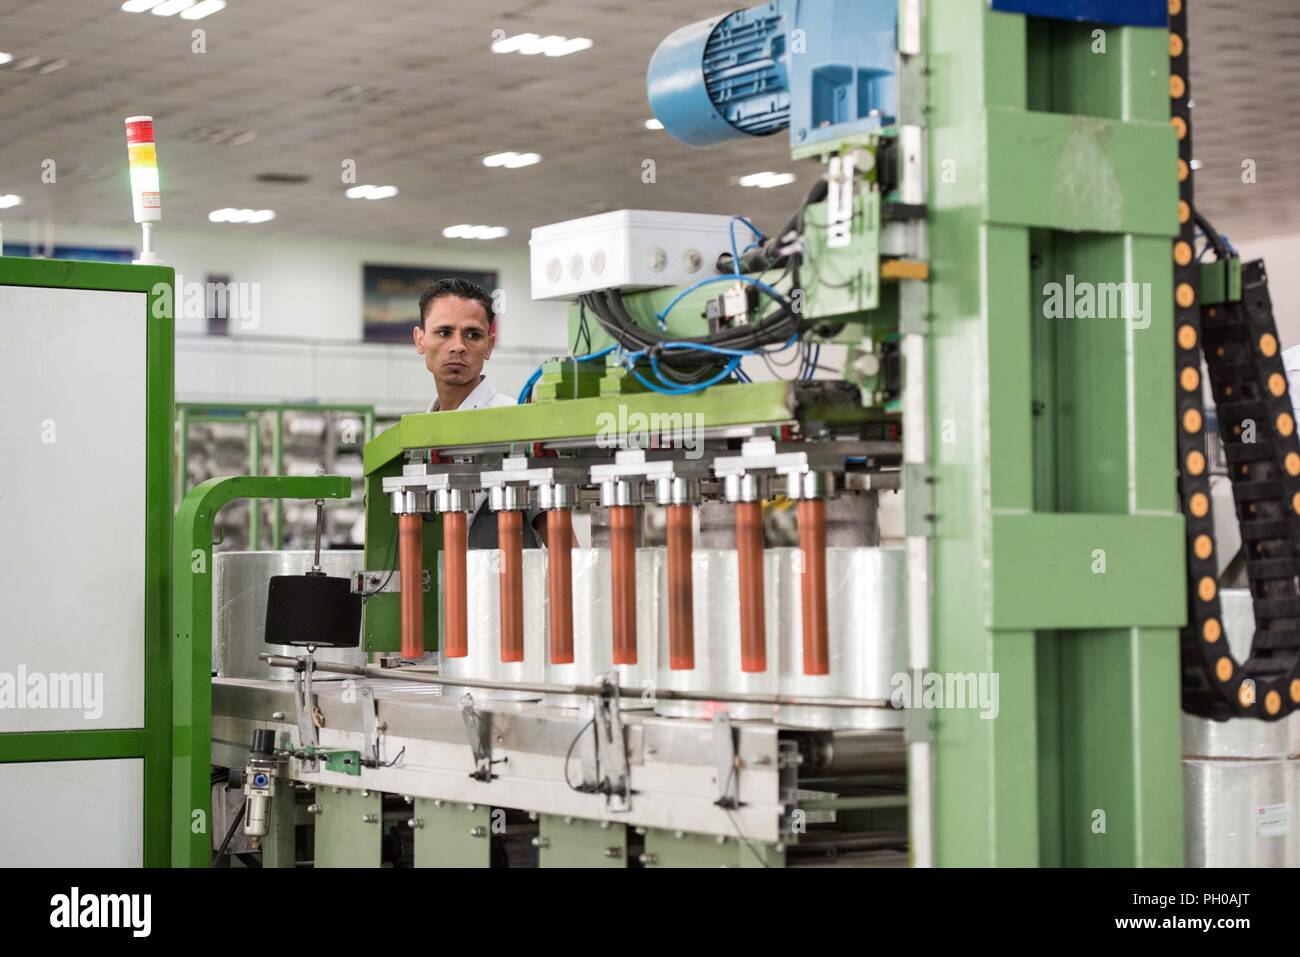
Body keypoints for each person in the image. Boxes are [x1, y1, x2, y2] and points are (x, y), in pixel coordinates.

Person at [412, 277, 541, 548]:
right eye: (444, 332)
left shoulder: (516, 423)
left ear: (489, 346)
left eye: (473, 334)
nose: (458, 346)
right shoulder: (415, 437)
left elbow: (560, 539)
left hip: (506, 586)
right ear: (420, 339)